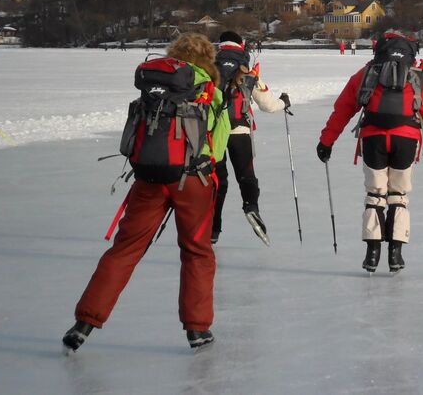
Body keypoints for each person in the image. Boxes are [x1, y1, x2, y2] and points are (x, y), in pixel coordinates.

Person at [62, 33, 230, 352]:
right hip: (193, 180)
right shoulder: (209, 89)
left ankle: (84, 323)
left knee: (125, 249)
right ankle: (197, 329)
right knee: (197, 252)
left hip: (148, 177)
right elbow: (218, 149)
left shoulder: (156, 85)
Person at [315, 33, 423, 274]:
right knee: (398, 194)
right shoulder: (416, 74)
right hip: (405, 139)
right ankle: (395, 253)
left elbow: (343, 109)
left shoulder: (366, 73)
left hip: (373, 138)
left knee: (375, 194)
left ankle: (372, 252)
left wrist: (327, 141)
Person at [212, 31, 290, 245]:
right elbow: (268, 105)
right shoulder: (247, 71)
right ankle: (251, 207)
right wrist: (284, 102)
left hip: (213, 134)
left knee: (218, 180)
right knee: (246, 175)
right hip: (240, 131)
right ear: (241, 46)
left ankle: (213, 227)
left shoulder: (209, 68)